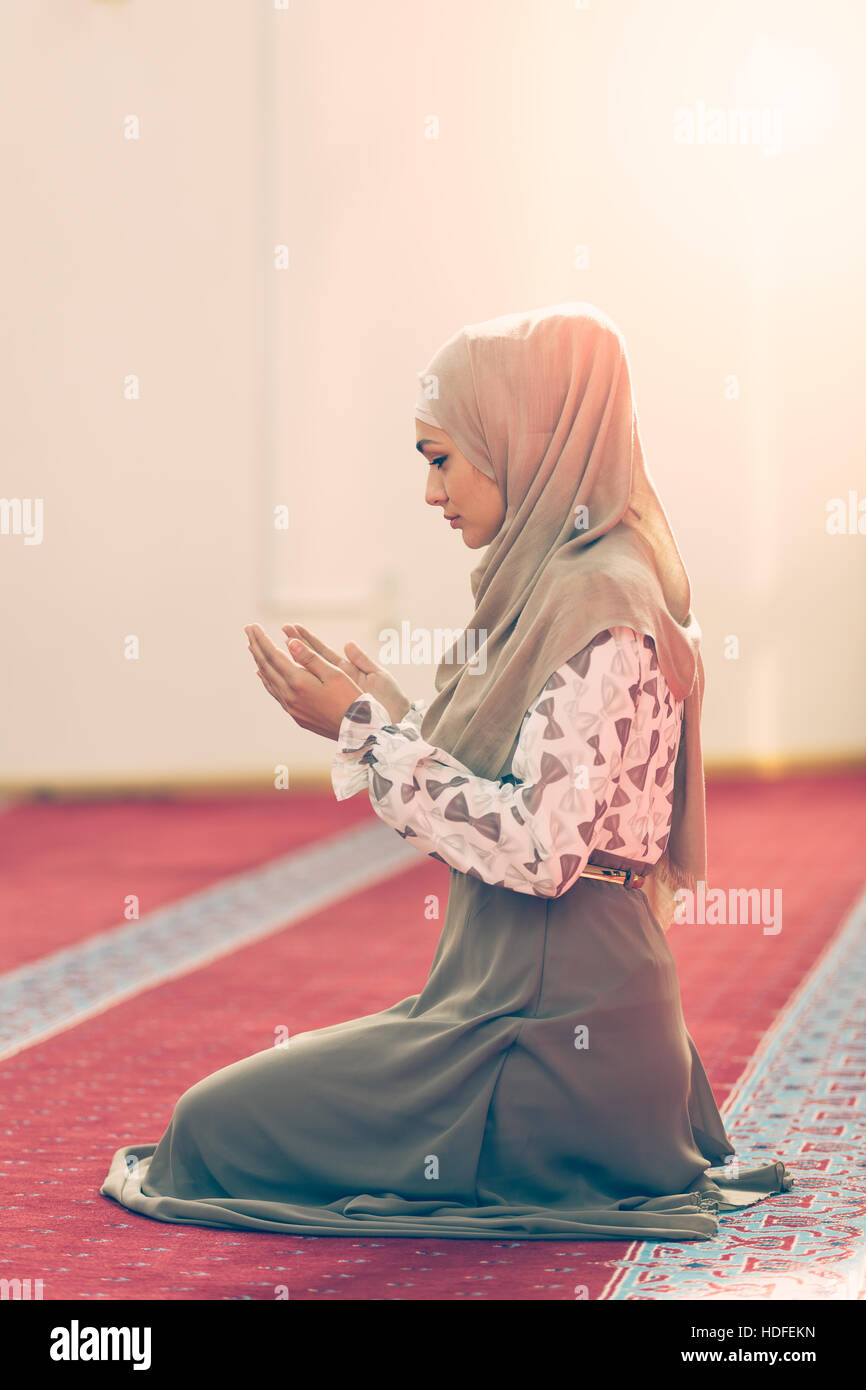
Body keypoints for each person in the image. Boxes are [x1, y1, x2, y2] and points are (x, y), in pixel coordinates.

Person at [100, 302, 791, 1240]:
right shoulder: (565, 582)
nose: (431, 492)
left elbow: (541, 849)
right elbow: (528, 786)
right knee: (222, 1125)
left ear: (526, 439)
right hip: (518, 998)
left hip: (549, 1033)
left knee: (209, 1132)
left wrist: (364, 737)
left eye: (441, 457)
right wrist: (385, 715)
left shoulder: (599, 601)